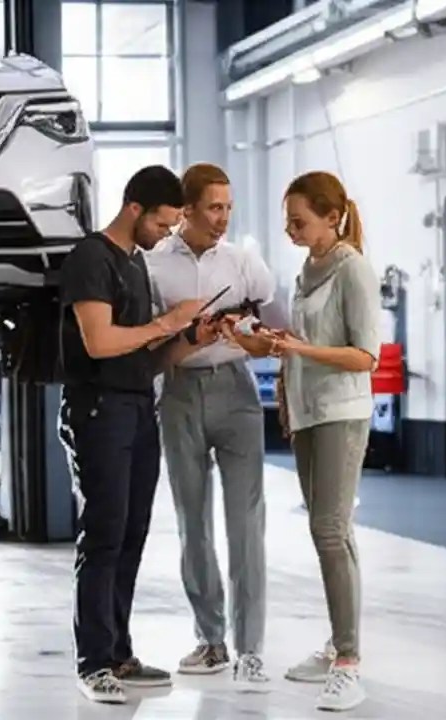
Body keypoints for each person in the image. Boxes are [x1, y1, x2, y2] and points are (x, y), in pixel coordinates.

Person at [57, 165, 218, 704]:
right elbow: (101, 342)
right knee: (103, 535)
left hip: (136, 407)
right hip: (98, 410)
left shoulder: (135, 265)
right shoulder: (91, 258)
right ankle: (93, 662)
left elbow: (147, 357)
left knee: (131, 533)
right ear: (135, 210)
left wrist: (193, 336)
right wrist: (168, 321)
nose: (166, 234)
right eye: (163, 223)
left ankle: (119, 653)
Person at [225, 170, 381, 712]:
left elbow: (365, 357)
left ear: (331, 217)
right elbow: (298, 345)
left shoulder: (353, 269)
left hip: (341, 412)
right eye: (287, 221)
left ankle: (349, 663)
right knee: (335, 533)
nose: (290, 230)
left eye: (299, 221)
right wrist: (271, 352)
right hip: (309, 413)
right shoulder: (306, 270)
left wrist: (301, 348)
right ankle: (339, 645)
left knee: (328, 531)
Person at [144, 163, 276, 685]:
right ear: (188, 210)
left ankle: (252, 649)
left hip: (237, 391)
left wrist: (248, 333)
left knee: (247, 526)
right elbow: (149, 340)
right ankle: (211, 640)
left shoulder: (244, 262)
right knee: (192, 523)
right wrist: (181, 330)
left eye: (228, 207)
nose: (222, 218)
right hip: (178, 394)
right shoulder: (154, 266)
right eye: (213, 207)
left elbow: (272, 319)